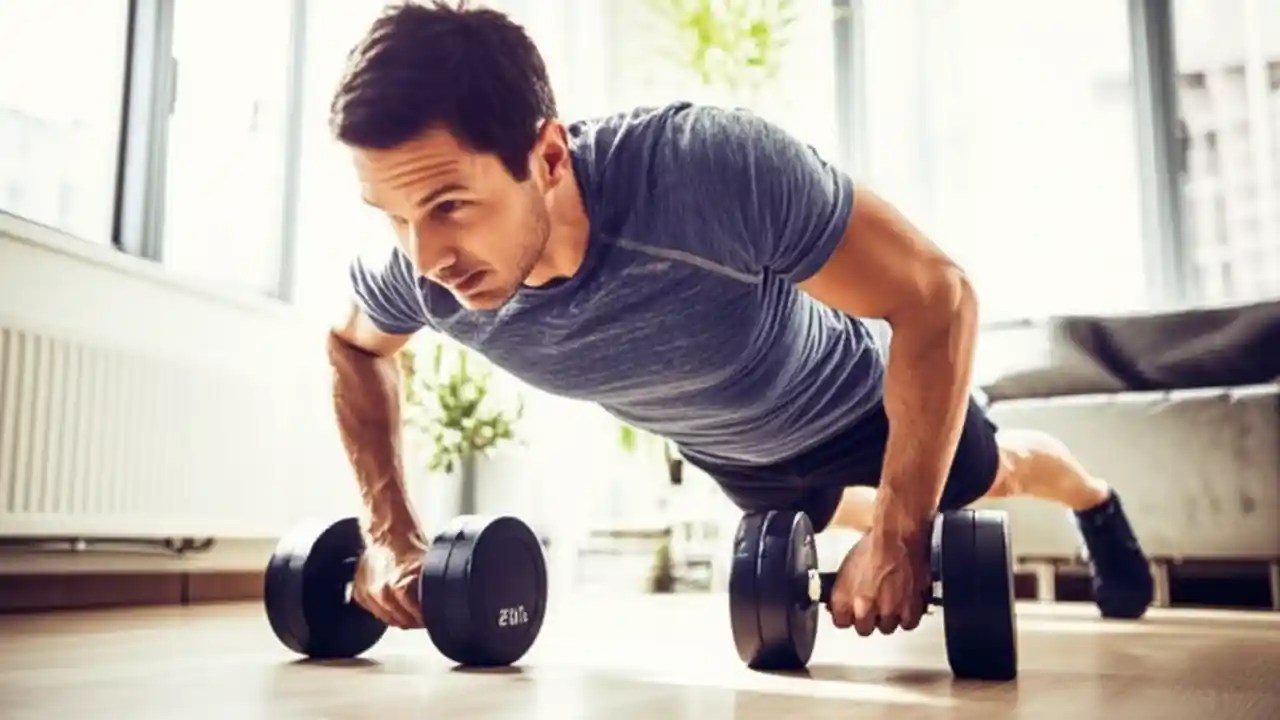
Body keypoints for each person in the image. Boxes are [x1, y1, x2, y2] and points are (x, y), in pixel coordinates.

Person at [325, 1, 1155, 636]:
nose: (425, 254)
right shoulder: (418, 270)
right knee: (850, 517)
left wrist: (905, 534)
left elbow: (938, 294)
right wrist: (390, 529)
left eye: (450, 205)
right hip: (738, 459)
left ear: (547, 157)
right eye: (391, 215)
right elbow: (354, 349)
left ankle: (1093, 498)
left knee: (992, 478)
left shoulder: (706, 174)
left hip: (859, 406)